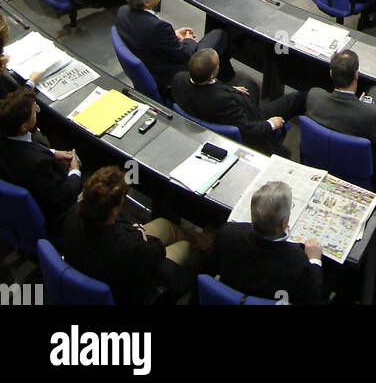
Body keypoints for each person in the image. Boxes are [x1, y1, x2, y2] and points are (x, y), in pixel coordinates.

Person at [61, 165, 193, 304]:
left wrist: (136, 232)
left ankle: (202, 243)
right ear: (113, 211)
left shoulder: (74, 211)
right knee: (186, 246)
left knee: (165, 225)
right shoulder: (127, 245)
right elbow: (158, 252)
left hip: (91, 266)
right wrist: (138, 234)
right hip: (124, 291)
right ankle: (199, 273)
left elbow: (124, 224)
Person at [206, 181, 324, 304]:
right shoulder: (298, 261)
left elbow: (214, 266)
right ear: (284, 222)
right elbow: (313, 299)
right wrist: (315, 261)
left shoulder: (227, 233)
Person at [170, 48, 305, 154]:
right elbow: (246, 129)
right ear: (212, 74)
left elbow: (209, 88)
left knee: (249, 84)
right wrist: (270, 124)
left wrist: (229, 89)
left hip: (208, 108)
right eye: (218, 64)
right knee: (296, 98)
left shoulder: (179, 78)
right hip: (255, 120)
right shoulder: (224, 102)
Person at [116, 0, 232, 98]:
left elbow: (147, 37)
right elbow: (185, 54)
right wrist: (187, 40)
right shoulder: (157, 28)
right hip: (169, 73)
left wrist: (172, 36)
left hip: (151, 60)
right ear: (146, 2)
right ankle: (223, 76)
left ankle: (223, 74)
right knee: (219, 35)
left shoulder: (122, 12)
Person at [306, 48, 376, 184]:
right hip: (357, 167)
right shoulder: (371, 114)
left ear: (331, 73)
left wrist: (358, 106)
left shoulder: (314, 96)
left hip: (321, 159)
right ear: (356, 75)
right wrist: (362, 107)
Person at [0, 88, 82, 238]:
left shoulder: (6, 136)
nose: (37, 111)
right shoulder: (38, 164)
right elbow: (65, 197)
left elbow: (26, 147)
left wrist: (52, 153)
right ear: (24, 127)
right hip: (57, 219)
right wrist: (75, 171)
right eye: (33, 111)